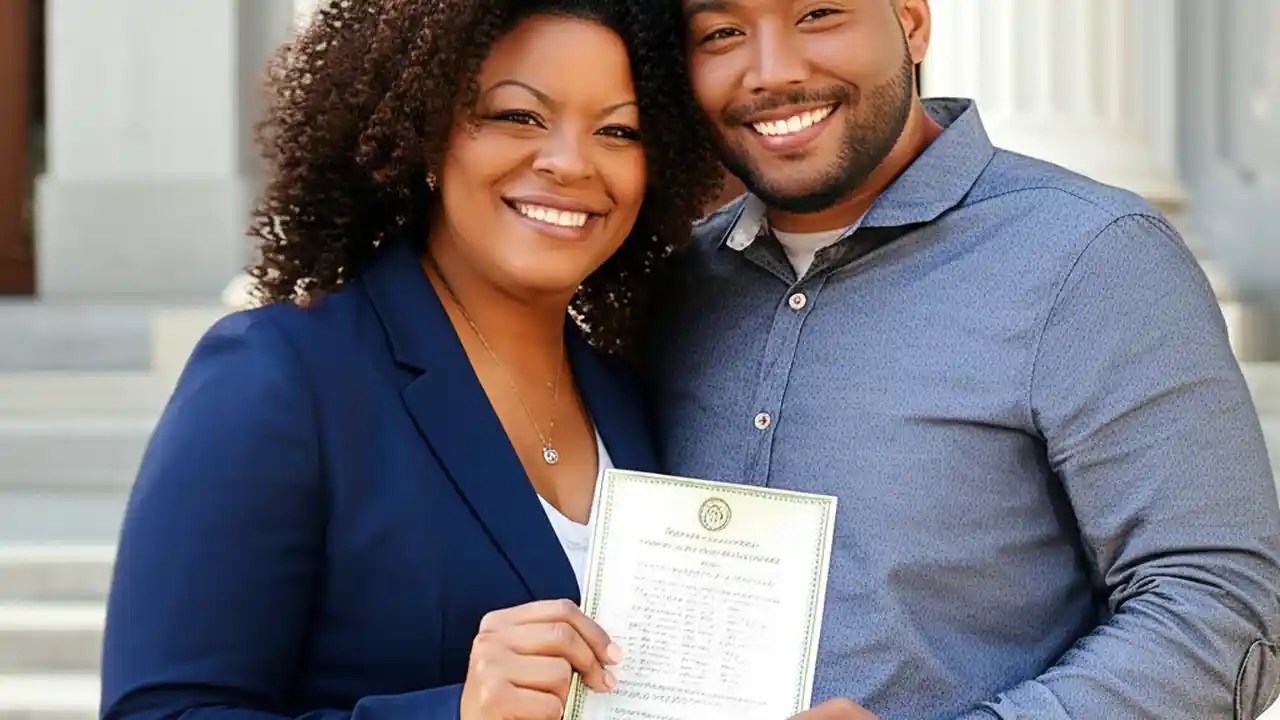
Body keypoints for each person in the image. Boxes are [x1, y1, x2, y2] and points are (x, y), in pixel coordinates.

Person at [649, 0, 1280, 718]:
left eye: (819, 13)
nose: (772, 72)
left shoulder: (1090, 254)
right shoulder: (676, 283)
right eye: (722, 32)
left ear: (911, 21)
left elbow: (1222, 602)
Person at [99, 1, 724, 719]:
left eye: (619, 130)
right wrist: (455, 713)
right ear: (426, 132)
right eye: (519, 116)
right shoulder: (278, 377)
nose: (569, 162)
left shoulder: (633, 398)